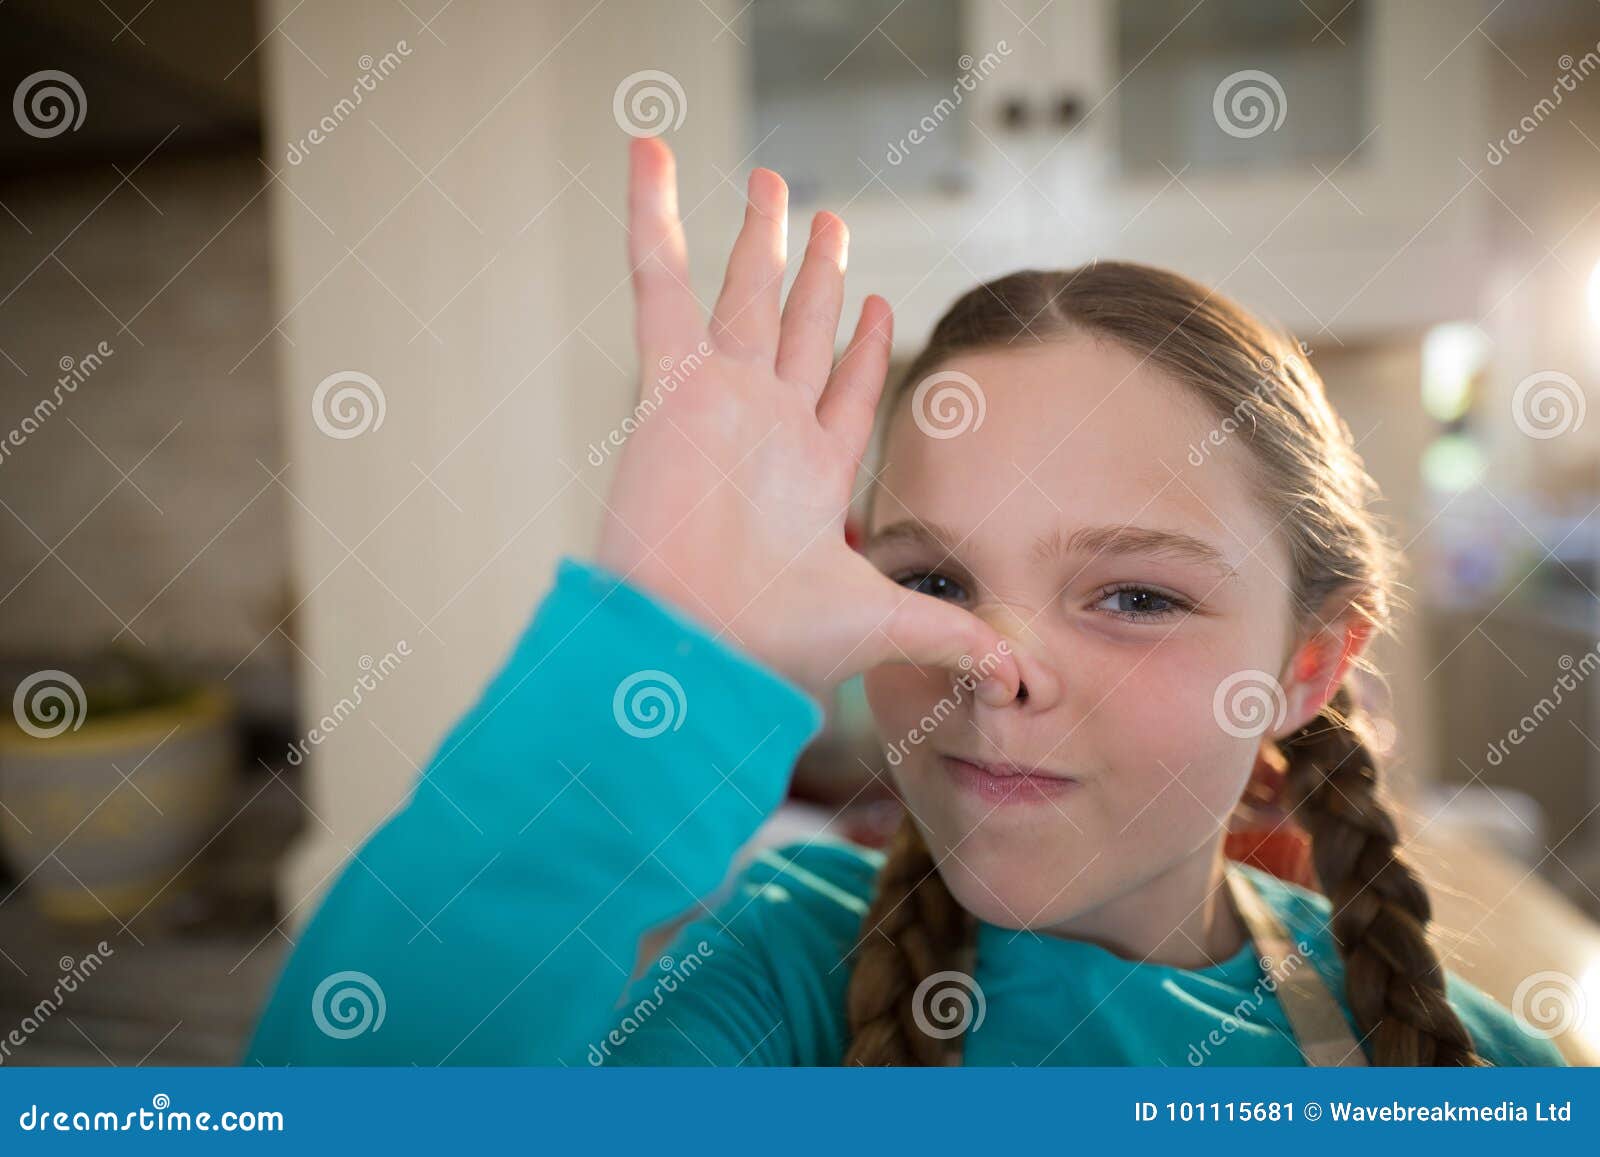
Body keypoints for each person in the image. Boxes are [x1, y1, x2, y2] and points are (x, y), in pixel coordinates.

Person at [246, 138, 1563, 1067]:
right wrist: (656, 659)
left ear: (1311, 660)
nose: (995, 665)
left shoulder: (1462, 1057)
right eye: (932, 580)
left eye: (1135, 593)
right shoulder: (786, 982)